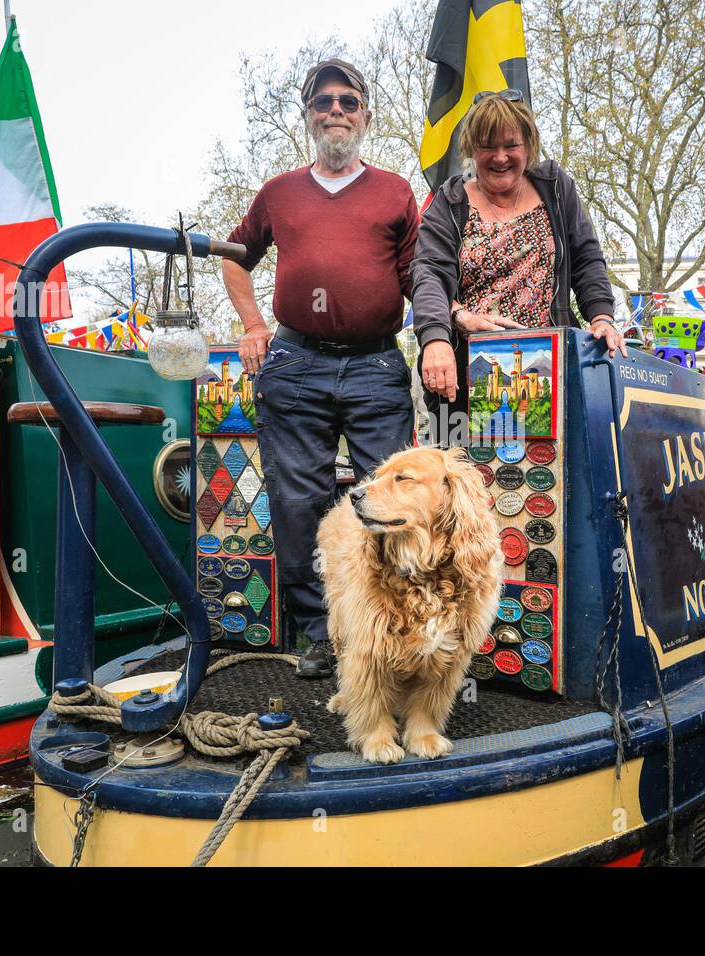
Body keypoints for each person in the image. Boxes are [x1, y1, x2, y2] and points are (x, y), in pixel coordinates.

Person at [222, 58, 419, 678]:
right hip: (295, 364)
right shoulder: (279, 192)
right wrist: (254, 325)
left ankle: (390, 629)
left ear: (365, 115)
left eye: (349, 101)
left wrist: (449, 327)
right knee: (297, 500)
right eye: (324, 101)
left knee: (391, 500)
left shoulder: (395, 191)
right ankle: (317, 632)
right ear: (307, 115)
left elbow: (421, 278)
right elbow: (233, 258)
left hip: (377, 367)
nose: (337, 110)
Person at [410, 90, 623, 435]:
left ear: (529, 144)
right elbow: (428, 274)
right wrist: (436, 337)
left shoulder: (556, 188)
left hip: (546, 376)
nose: (499, 157)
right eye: (486, 146)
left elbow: (586, 258)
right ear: (470, 149)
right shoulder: (449, 202)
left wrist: (601, 316)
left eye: (511, 145)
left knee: (547, 481)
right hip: (466, 377)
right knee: (463, 483)